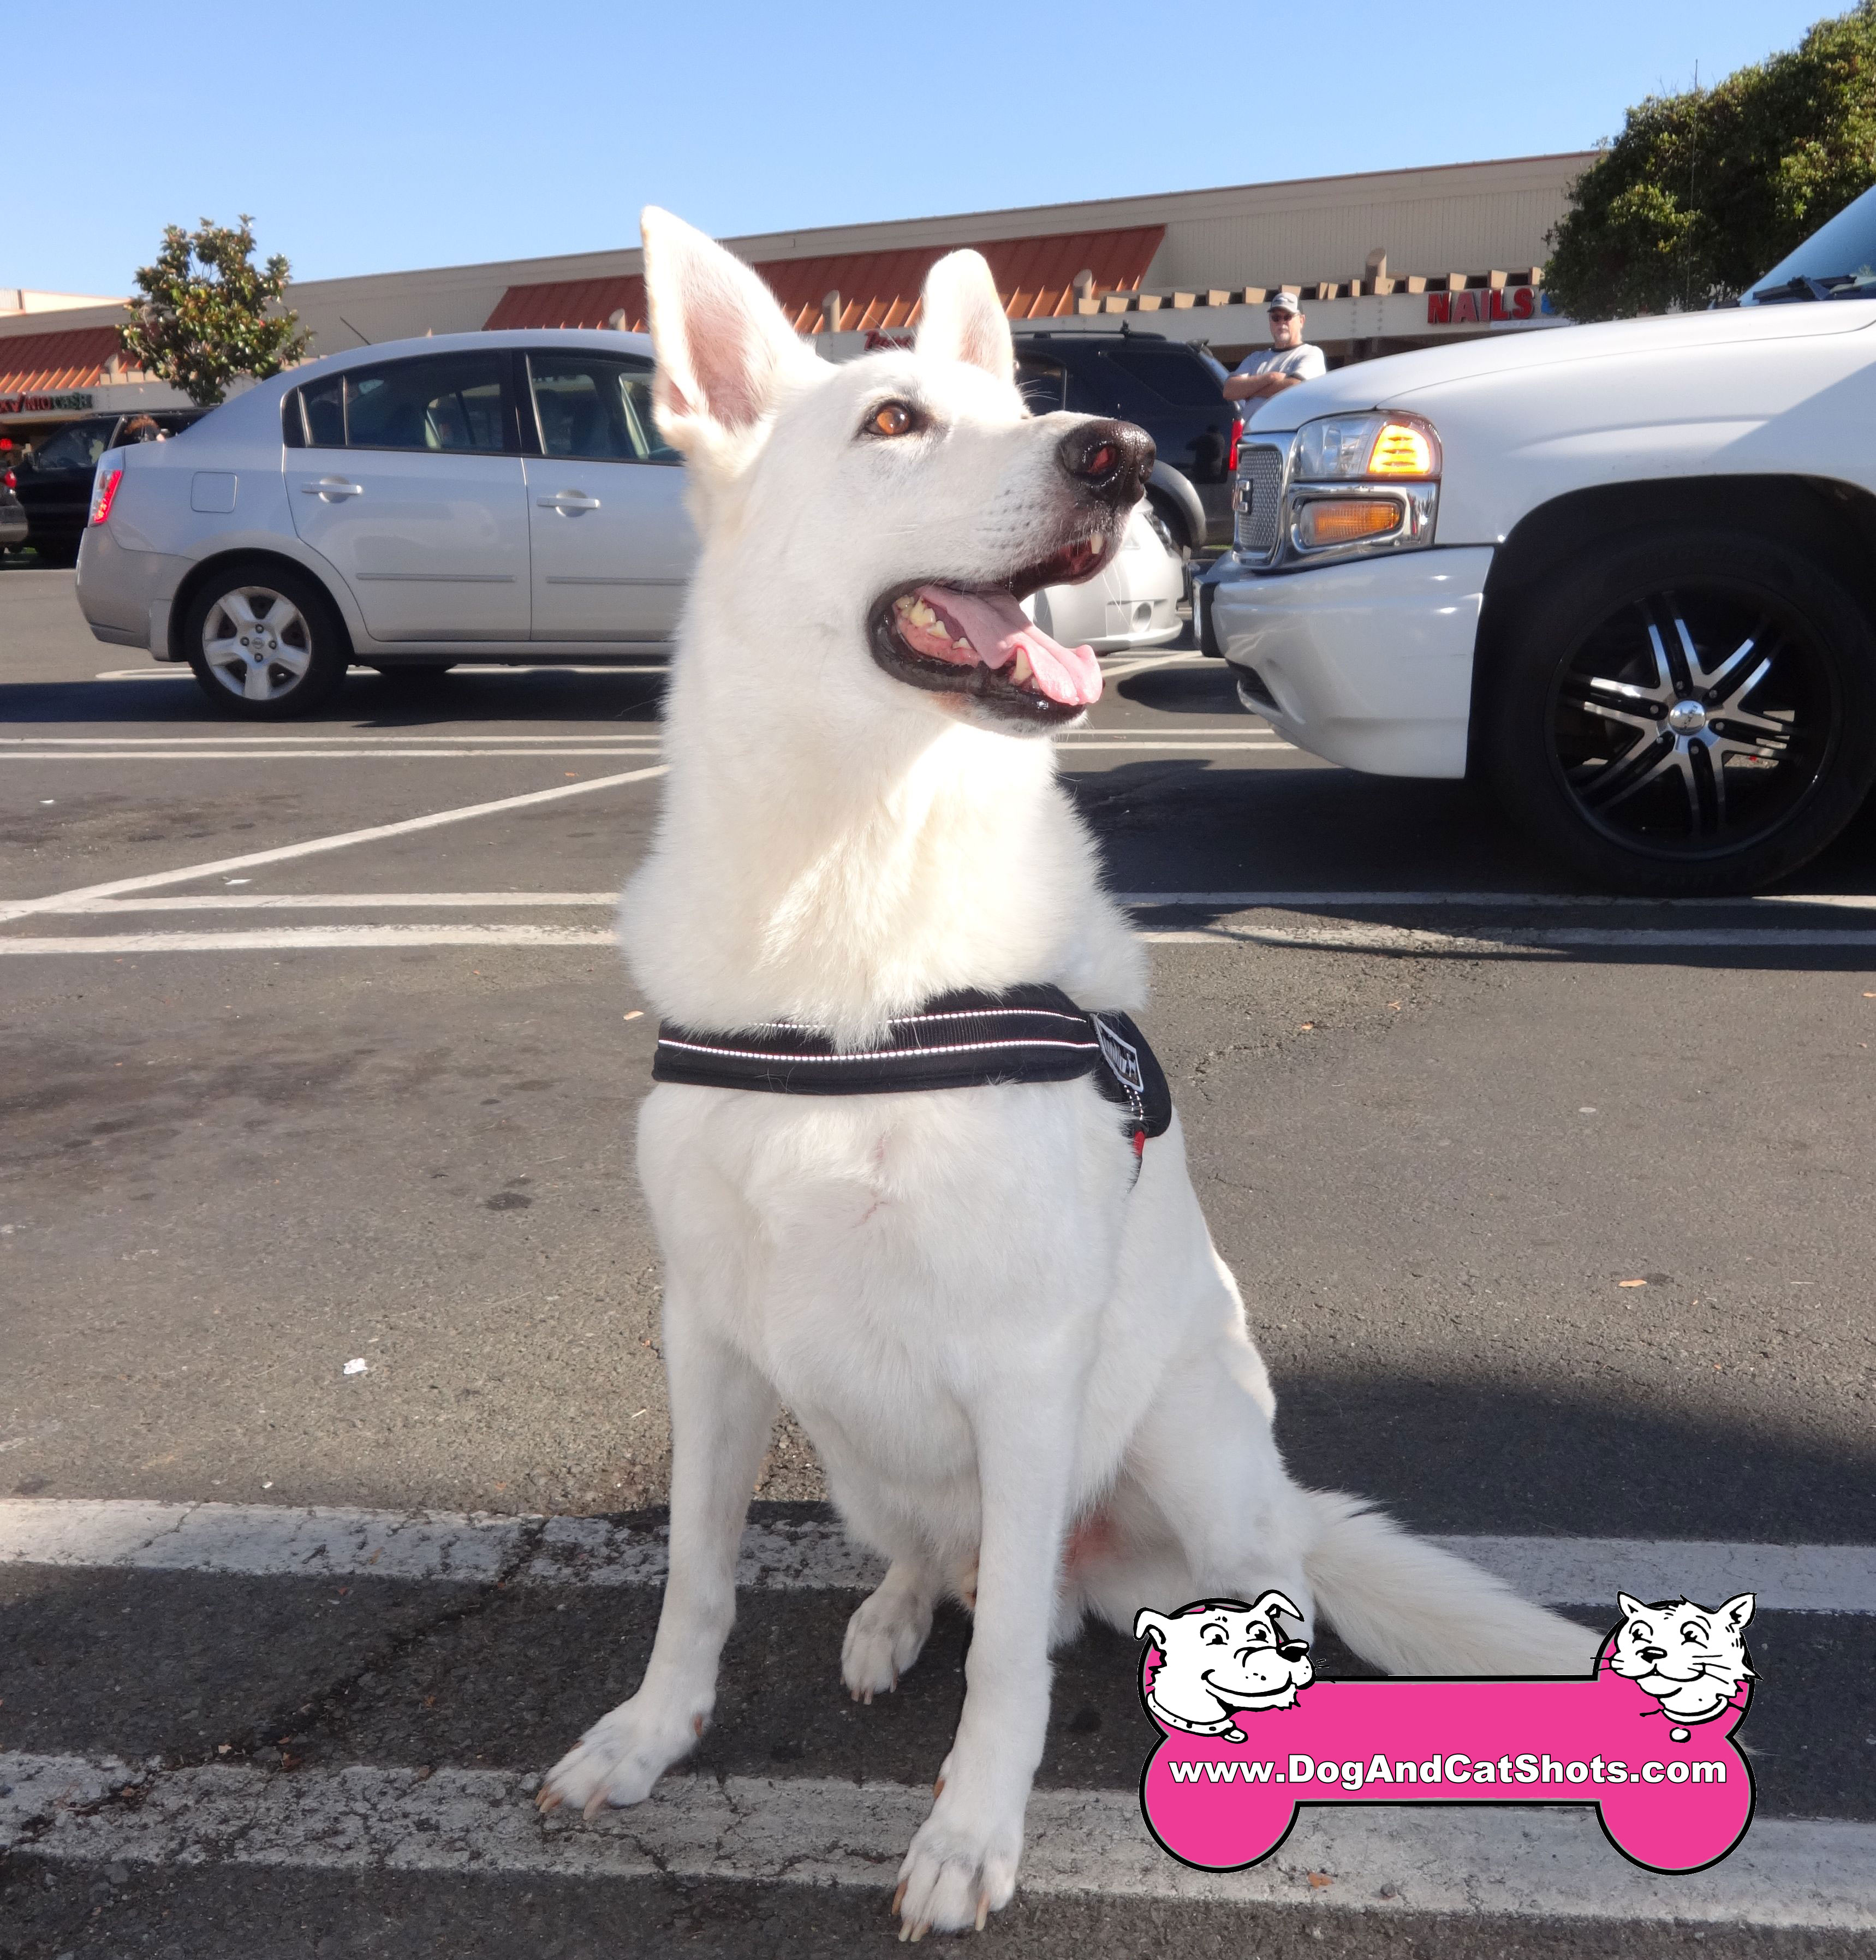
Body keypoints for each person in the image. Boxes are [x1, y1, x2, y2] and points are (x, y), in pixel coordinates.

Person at [1222, 292, 1324, 403]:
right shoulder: (1255, 358)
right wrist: (1271, 377)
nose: (1281, 323)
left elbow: (1297, 387)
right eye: (1276, 318)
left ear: (1301, 321)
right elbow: (1229, 391)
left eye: (1287, 317)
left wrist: (1250, 392)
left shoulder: (1311, 353)